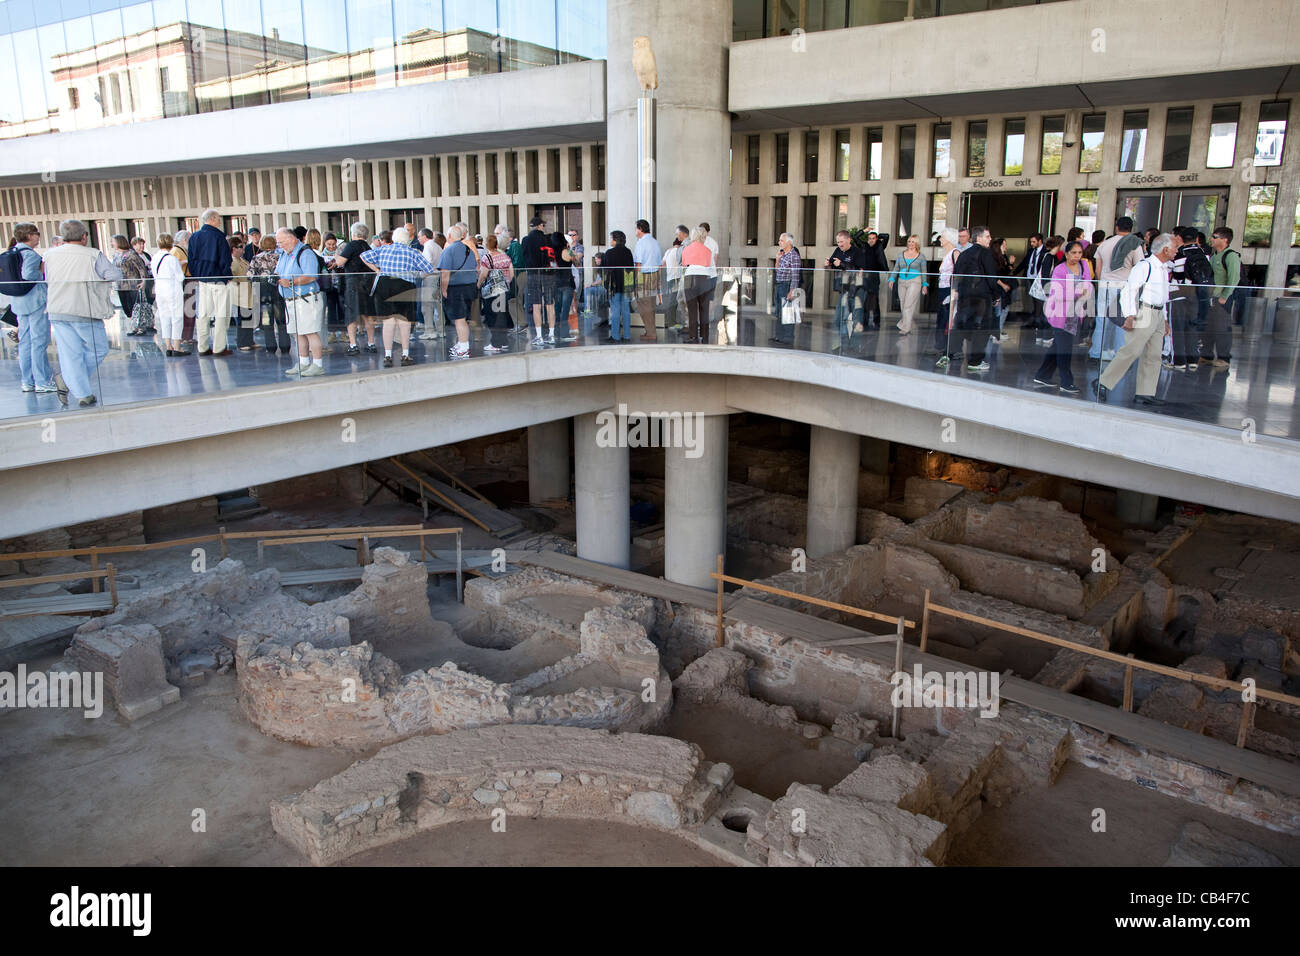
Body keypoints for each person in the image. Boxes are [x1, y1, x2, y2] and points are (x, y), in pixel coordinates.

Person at [44, 219, 123, 407]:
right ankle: (67, 380)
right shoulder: (92, 255)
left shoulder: (49, 255)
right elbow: (114, 275)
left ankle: (82, 393)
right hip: (84, 308)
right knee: (99, 349)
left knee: (71, 354)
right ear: (84, 236)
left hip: (57, 309)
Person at [1095, 233, 1178, 405]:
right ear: (1165, 249)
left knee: (1154, 355)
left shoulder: (1163, 269)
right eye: (1175, 247)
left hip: (1157, 313)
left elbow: (1164, 297)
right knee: (1131, 350)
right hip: (1144, 311)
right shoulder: (1145, 266)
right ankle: (1103, 382)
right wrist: (1130, 315)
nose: (1177, 251)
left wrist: (1165, 319)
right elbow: (1129, 291)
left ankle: (1145, 392)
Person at [361, 226, 434, 367]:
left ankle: (387, 355)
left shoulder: (383, 249)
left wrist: (377, 270)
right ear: (407, 239)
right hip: (404, 286)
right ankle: (405, 354)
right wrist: (417, 274)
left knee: (388, 322)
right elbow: (429, 269)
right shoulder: (413, 252)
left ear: (394, 238)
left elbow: (364, 256)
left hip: (384, 284)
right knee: (404, 321)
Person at [1032, 240, 1093, 394]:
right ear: (1066, 254)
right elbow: (1058, 292)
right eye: (1073, 253)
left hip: (1074, 313)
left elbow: (1088, 282)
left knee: (1058, 347)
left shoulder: (1083, 265)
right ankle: (1066, 382)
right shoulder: (1060, 269)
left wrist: (1082, 291)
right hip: (1060, 313)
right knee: (1064, 350)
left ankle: (1042, 375)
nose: (1077, 256)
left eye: (1079, 253)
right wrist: (1079, 292)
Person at [7, 223, 58, 393]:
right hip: (35, 302)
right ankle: (42, 381)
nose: (38, 237)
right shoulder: (30, 255)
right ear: (29, 236)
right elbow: (28, 274)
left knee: (25, 342)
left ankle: (27, 381)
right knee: (39, 342)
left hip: (19, 302)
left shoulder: (14, 252)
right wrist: (42, 271)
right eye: (36, 234)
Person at [274, 227, 326, 377]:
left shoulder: (305, 253)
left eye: (281, 242)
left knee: (310, 332)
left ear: (291, 239)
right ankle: (303, 362)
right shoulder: (284, 254)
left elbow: (311, 276)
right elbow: (279, 271)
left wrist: (291, 282)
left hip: (306, 299)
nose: (280, 245)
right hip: (290, 300)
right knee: (298, 333)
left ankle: (317, 364)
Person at [1091, 217, 1144, 362]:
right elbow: (1139, 268)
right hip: (1124, 286)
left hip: (1106, 285)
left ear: (1116, 227)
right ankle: (1118, 353)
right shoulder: (1135, 245)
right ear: (1131, 228)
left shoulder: (1104, 244)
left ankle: (1097, 351)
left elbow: (1098, 268)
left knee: (1102, 318)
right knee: (1122, 320)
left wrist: (1102, 282)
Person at [951, 225, 1000, 372]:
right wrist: (996, 295)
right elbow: (991, 277)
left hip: (965, 297)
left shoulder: (964, 254)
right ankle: (975, 361)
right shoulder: (986, 254)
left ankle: (951, 353)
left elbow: (956, 275)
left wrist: (957, 291)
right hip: (981, 298)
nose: (990, 239)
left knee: (962, 324)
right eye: (987, 236)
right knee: (981, 329)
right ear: (978, 238)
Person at [187, 209, 234, 356]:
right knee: (221, 314)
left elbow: (191, 259)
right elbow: (225, 260)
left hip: (202, 281)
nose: (220, 222)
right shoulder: (219, 237)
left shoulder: (194, 237)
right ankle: (219, 348)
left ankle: (202, 347)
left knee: (203, 314)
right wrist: (226, 276)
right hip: (218, 280)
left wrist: (197, 275)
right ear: (212, 219)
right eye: (218, 219)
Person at [1167, 226, 1212, 372]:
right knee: (1192, 327)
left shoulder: (1178, 255)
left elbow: (1174, 275)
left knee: (1178, 329)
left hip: (1179, 295)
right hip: (1196, 295)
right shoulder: (1204, 254)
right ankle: (1193, 360)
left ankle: (1179, 361)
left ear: (1180, 239)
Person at [333, 222, 378, 355]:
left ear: (354, 234)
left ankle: (353, 344)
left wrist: (335, 257)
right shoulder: (368, 247)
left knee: (351, 314)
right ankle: (371, 343)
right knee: (368, 314)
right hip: (367, 283)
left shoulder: (351, 245)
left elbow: (340, 262)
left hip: (353, 283)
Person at [437, 223, 479, 358]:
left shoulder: (448, 251)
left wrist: (443, 290)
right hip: (470, 287)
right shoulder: (469, 250)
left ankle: (464, 348)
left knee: (459, 319)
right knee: (463, 318)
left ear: (449, 236)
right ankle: (462, 345)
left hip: (456, 288)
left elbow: (445, 273)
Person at [1200, 226, 1240, 368]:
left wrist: (1225, 296)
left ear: (1225, 239)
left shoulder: (1231, 256)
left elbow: (1234, 278)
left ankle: (1224, 357)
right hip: (1211, 297)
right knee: (1209, 327)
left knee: (1222, 328)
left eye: (1215, 237)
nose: (1211, 239)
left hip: (1222, 299)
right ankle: (1207, 354)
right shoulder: (1214, 256)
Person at [247, 234, 289, 354]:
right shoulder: (281, 256)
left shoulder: (257, 258)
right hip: (279, 288)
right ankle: (285, 346)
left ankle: (270, 347)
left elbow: (249, 275)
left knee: (267, 320)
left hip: (263, 289)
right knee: (281, 319)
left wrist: (257, 280)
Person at [150, 234, 189, 356]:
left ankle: (168, 345)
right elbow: (180, 276)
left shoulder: (155, 257)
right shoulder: (171, 258)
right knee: (177, 318)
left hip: (159, 290)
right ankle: (177, 346)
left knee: (164, 317)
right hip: (172, 290)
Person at [826, 230, 865, 351]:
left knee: (856, 319)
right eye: (838, 242)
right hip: (843, 289)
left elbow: (859, 270)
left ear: (849, 240)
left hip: (857, 289)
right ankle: (843, 344)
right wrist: (828, 264)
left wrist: (842, 264)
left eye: (842, 241)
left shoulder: (857, 252)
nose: (839, 244)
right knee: (839, 319)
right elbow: (832, 267)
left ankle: (855, 345)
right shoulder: (838, 251)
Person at [520, 216, 557, 344]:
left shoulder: (526, 240)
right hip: (548, 274)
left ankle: (539, 336)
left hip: (533, 274)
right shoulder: (548, 239)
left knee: (536, 306)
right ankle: (551, 335)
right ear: (540, 226)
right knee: (550, 305)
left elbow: (524, 257)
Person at [478, 234, 515, 353]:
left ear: (487, 245)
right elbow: (511, 272)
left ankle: (496, 343)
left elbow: (483, 274)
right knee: (502, 315)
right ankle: (504, 341)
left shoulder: (486, 258)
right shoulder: (505, 256)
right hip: (504, 289)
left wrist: (478, 285)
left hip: (492, 292)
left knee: (492, 317)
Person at [681, 226, 715, 343]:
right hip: (705, 278)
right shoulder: (708, 251)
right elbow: (710, 266)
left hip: (690, 278)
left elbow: (685, 264)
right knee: (704, 309)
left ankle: (693, 337)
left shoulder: (686, 249)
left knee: (692, 309)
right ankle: (705, 337)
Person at [111, 235, 151, 335]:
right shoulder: (116, 255)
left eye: (113, 242)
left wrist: (143, 281)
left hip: (133, 284)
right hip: (120, 285)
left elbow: (141, 268)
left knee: (136, 306)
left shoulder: (131, 254)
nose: (112, 244)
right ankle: (134, 326)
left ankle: (141, 327)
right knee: (126, 307)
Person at [888, 235, 927, 336]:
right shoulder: (901, 254)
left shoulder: (921, 256)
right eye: (909, 241)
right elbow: (896, 268)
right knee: (903, 304)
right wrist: (892, 279)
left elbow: (924, 272)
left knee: (908, 305)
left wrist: (924, 285)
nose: (910, 243)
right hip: (901, 281)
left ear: (917, 243)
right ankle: (908, 324)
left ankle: (905, 328)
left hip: (915, 281)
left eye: (913, 242)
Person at [931, 228, 960, 365]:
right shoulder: (947, 254)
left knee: (949, 318)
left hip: (950, 289)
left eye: (942, 237)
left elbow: (958, 273)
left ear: (948, 239)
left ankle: (950, 349)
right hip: (943, 288)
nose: (940, 239)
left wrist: (955, 291)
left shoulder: (955, 253)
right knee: (942, 317)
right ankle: (942, 346)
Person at [632, 219, 662, 342]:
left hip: (643, 276)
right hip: (655, 275)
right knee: (651, 304)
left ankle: (651, 332)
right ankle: (650, 330)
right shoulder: (655, 242)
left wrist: (635, 280)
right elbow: (660, 264)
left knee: (644, 305)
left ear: (640, 229)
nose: (635, 231)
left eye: (635, 228)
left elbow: (638, 264)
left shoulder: (640, 243)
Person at [771, 232, 802, 345]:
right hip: (779, 284)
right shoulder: (783, 254)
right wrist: (778, 260)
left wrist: (792, 290)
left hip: (787, 285)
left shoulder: (794, 256)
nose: (779, 242)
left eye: (781, 240)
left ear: (789, 242)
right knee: (779, 311)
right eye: (779, 240)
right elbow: (777, 270)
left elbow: (795, 275)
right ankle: (779, 336)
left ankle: (788, 337)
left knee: (788, 311)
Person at [602, 231, 634, 342]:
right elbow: (631, 269)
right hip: (627, 285)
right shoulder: (628, 252)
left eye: (610, 238)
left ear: (615, 239)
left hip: (614, 286)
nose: (610, 240)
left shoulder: (609, 253)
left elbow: (605, 270)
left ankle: (615, 336)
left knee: (615, 311)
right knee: (626, 311)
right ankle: (627, 336)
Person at [229, 236, 257, 350]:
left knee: (248, 317)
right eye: (240, 247)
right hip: (239, 292)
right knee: (242, 318)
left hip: (248, 291)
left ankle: (249, 340)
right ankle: (242, 342)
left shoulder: (242, 260)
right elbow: (230, 276)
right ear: (233, 248)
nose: (242, 249)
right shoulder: (231, 261)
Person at [1014, 233, 1047, 327]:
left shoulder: (1045, 252)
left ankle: (1037, 320)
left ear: (1040, 241)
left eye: (1034, 242)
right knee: (1031, 300)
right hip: (1029, 278)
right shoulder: (1031, 251)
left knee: (1039, 301)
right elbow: (1024, 262)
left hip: (1039, 280)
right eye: (1031, 242)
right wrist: (1014, 272)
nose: (1032, 244)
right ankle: (1033, 319)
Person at [662, 225, 688, 333]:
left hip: (669, 278)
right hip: (677, 278)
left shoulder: (668, 251)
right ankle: (671, 322)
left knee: (672, 300)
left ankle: (671, 321)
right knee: (675, 300)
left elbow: (662, 264)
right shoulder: (680, 251)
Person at [860, 230, 888, 329]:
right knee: (865, 299)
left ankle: (877, 321)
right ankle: (865, 321)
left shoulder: (880, 246)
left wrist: (879, 236)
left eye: (873, 238)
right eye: (870, 238)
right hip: (865, 277)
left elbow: (886, 236)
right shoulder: (864, 246)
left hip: (875, 277)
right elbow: (855, 238)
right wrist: (864, 231)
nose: (871, 240)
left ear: (876, 239)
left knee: (875, 299)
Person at [582, 252, 609, 335]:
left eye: (597, 259)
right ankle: (593, 314)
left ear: (601, 259)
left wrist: (591, 284)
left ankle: (588, 310)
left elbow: (602, 280)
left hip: (604, 289)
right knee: (589, 290)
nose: (596, 261)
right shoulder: (600, 268)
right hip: (601, 289)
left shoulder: (604, 267)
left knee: (587, 291)